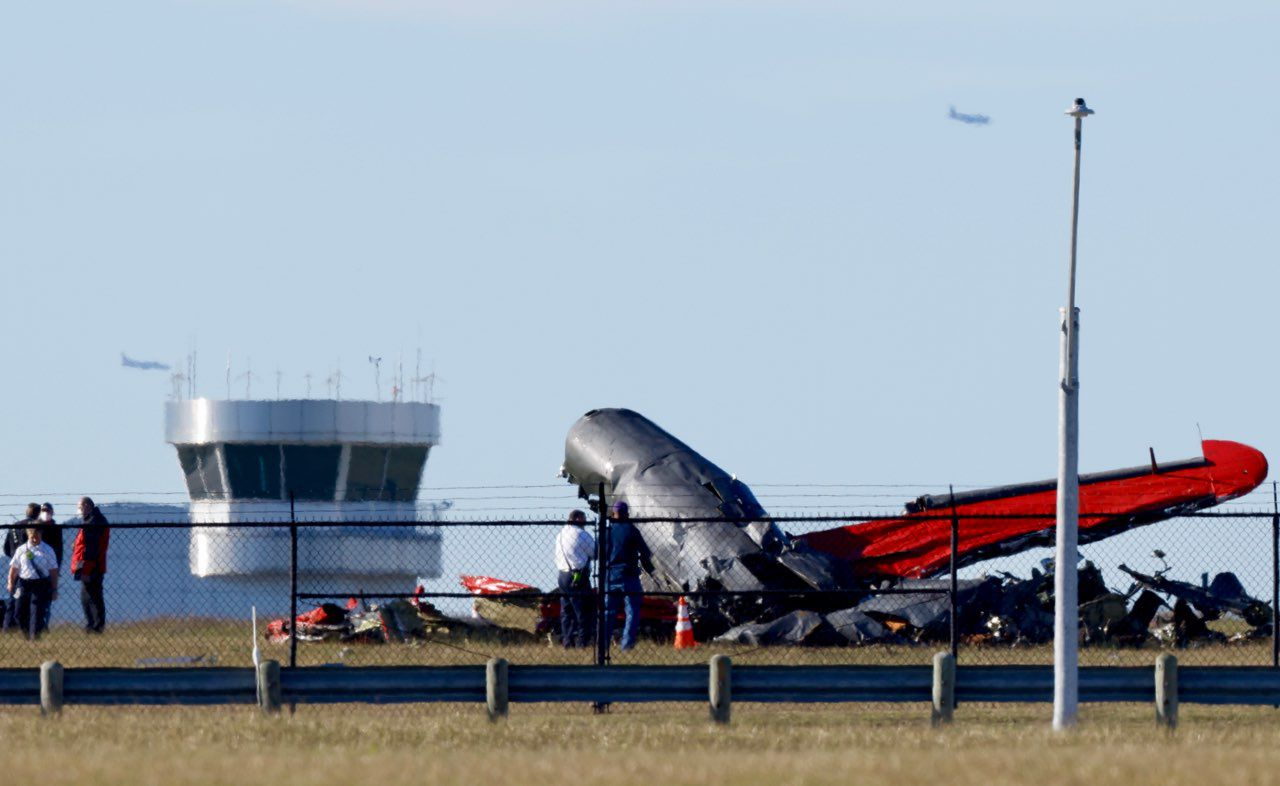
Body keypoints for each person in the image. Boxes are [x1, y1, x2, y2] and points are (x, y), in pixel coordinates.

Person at [604, 500, 654, 652]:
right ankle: (626, 646)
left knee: (608, 612)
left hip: (610, 575)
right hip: (629, 575)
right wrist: (649, 569)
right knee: (632, 611)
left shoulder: (607, 531)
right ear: (627, 513)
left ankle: (603, 645)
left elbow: (600, 553)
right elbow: (645, 552)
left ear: (613, 513)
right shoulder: (632, 530)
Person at [5, 526, 59, 640]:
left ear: (41, 535)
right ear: (28, 536)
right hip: (23, 583)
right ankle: (26, 634)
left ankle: (35, 637)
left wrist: (54, 589)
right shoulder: (21, 549)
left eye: (37, 537)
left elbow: (53, 571)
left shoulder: (48, 550)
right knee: (18, 612)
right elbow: (14, 569)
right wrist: (10, 582)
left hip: (40, 583)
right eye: (32, 537)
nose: (34, 539)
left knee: (37, 612)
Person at [555, 509, 596, 648]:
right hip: (578, 576)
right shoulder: (582, 534)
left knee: (566, 611)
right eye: (584, 519)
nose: (585, 523)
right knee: (583, 610)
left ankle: (567, 641)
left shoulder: (560, 535)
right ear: (578, 519)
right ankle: (582, 643)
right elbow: (595, 552)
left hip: (562, 575)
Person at [70, 496, 110, 634]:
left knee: (93, 596)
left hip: (92, 566)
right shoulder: (90, 521)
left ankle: (96, 627)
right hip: (88, 565)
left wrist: (86, 570)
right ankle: (92, 625)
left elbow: (91, 549)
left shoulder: (94, 522)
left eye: (80, 507)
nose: (79, 510)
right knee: (87, 596)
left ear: (87, 506)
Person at [2, 503, 39, 632]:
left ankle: (7, 627)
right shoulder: (32, 528)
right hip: (27, 569)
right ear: (37, 513)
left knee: (14, 598)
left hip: (15, 567)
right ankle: (25, 627)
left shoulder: (14, 527)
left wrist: (14, 557)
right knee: (30, 600)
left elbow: (6, 548)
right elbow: (29, 547)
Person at [34, 503, 63, 631]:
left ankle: (44, 625)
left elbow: (59, 549)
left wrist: (58, 567)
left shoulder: (56, 528)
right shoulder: (35, 526)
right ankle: (35, 624)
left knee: (48, 597)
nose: (45, 512)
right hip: (35, 567)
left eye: (48, 510)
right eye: (43, 510)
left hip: (50, 567)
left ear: (52, 512)